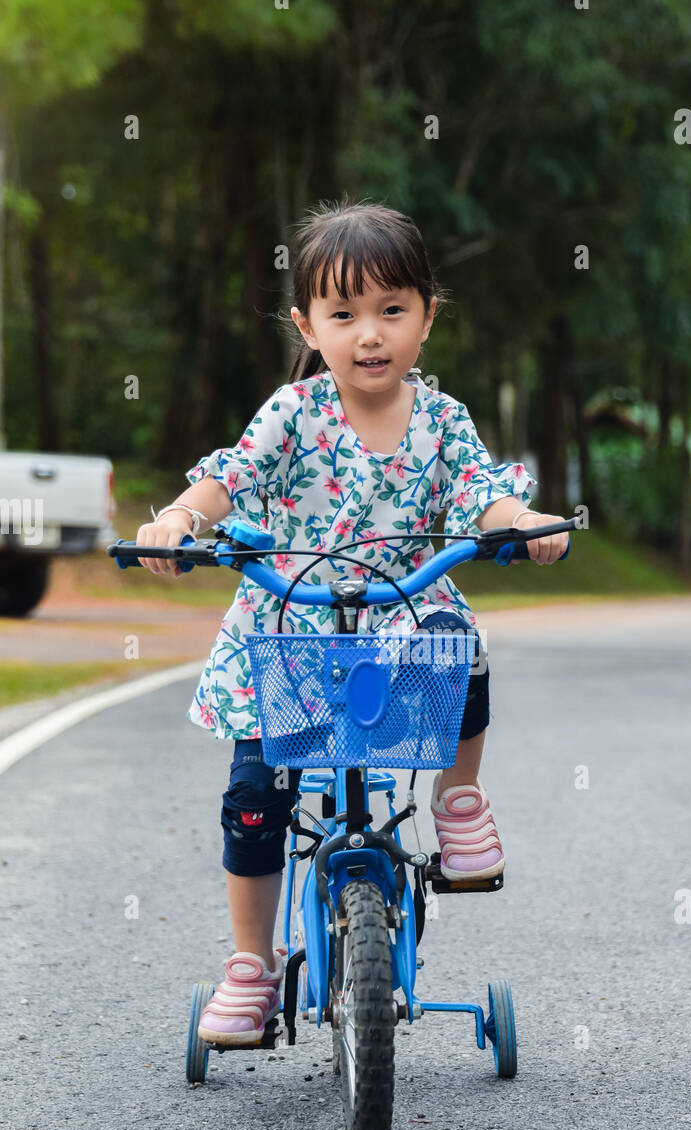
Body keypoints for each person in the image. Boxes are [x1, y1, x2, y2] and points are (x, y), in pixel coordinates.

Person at [135, 197, 568, 1044]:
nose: (369, 334)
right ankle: (251, 970)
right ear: (309, 324)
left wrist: (518, 523)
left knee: (464, 654)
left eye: (391, 310)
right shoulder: (294, 414)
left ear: (426, 319)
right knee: (254, 799)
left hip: (402, 622)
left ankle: (461, 798)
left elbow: (484, 490)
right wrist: (180, 518)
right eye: (344, 314)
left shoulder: (442, 421)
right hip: (292, 639)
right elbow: (228, 475)